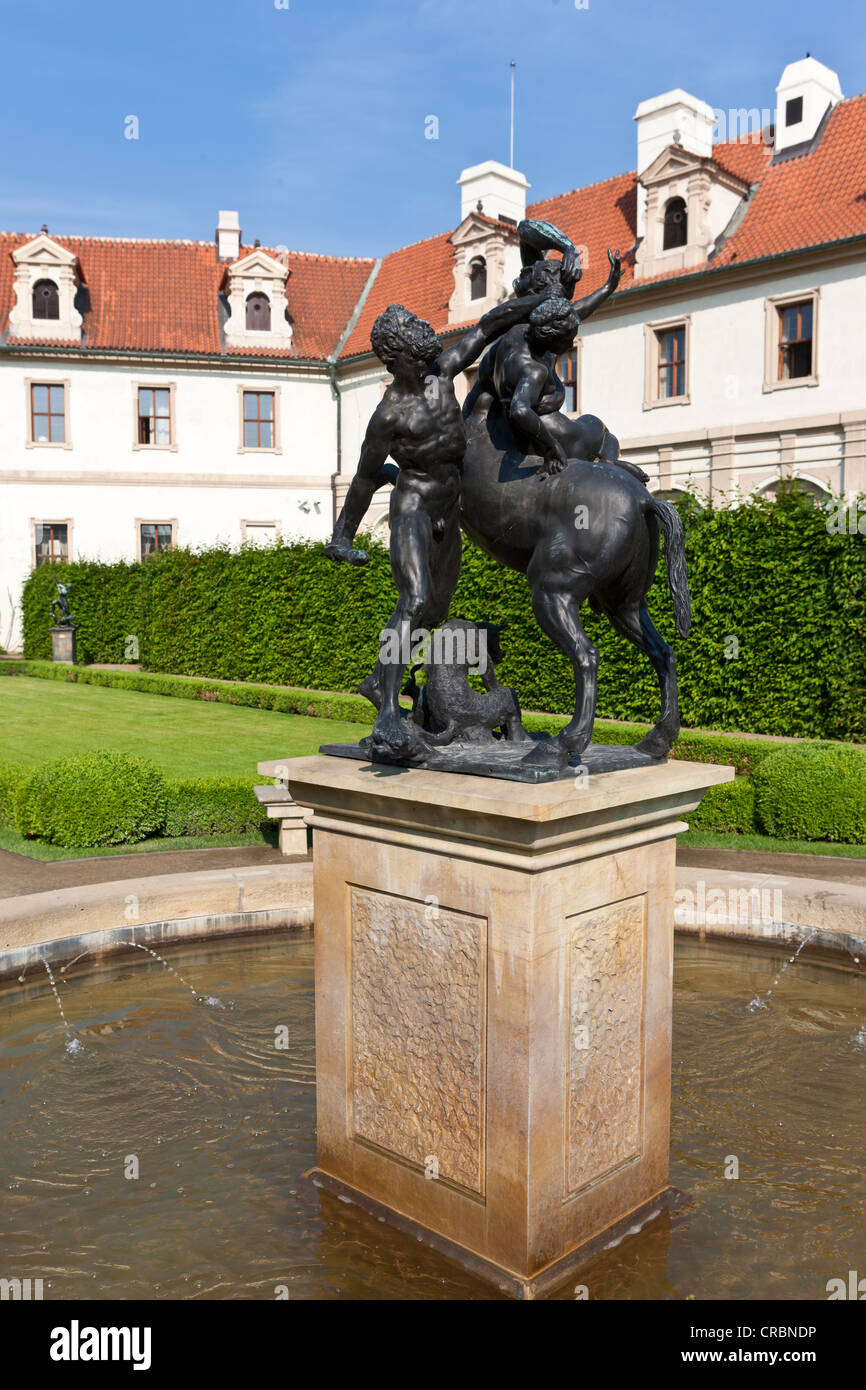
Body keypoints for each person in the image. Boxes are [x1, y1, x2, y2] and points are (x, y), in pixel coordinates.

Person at [324, 284, 559, 758]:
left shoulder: (441, 373)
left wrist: (539, 302)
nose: (425, 328)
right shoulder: (389, 416)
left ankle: (376, 681)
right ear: (399, 353)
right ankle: (388, 709)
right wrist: (342, 535)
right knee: (413, 601)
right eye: (414, 328)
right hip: (413, 508)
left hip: (447, 513)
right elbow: (365, 478)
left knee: (434, 612)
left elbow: (488, 325)